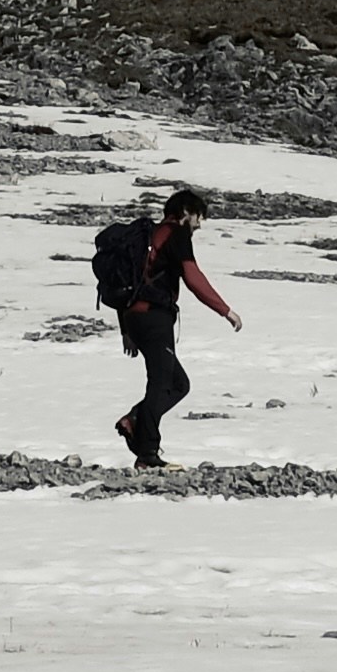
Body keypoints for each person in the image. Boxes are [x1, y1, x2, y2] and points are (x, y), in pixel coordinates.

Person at [111, 191, 238, 467]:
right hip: (155, 318)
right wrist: (225, 310)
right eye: (198, 218)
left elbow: (127, 283)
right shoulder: (176, 235)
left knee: (179, 383)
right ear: (185, 213)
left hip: (135, 317)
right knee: (161, 382)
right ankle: (147, 455)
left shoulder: (148, 236)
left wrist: (126, 329)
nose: (199, 225)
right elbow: (193, 277)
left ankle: (135, 420)